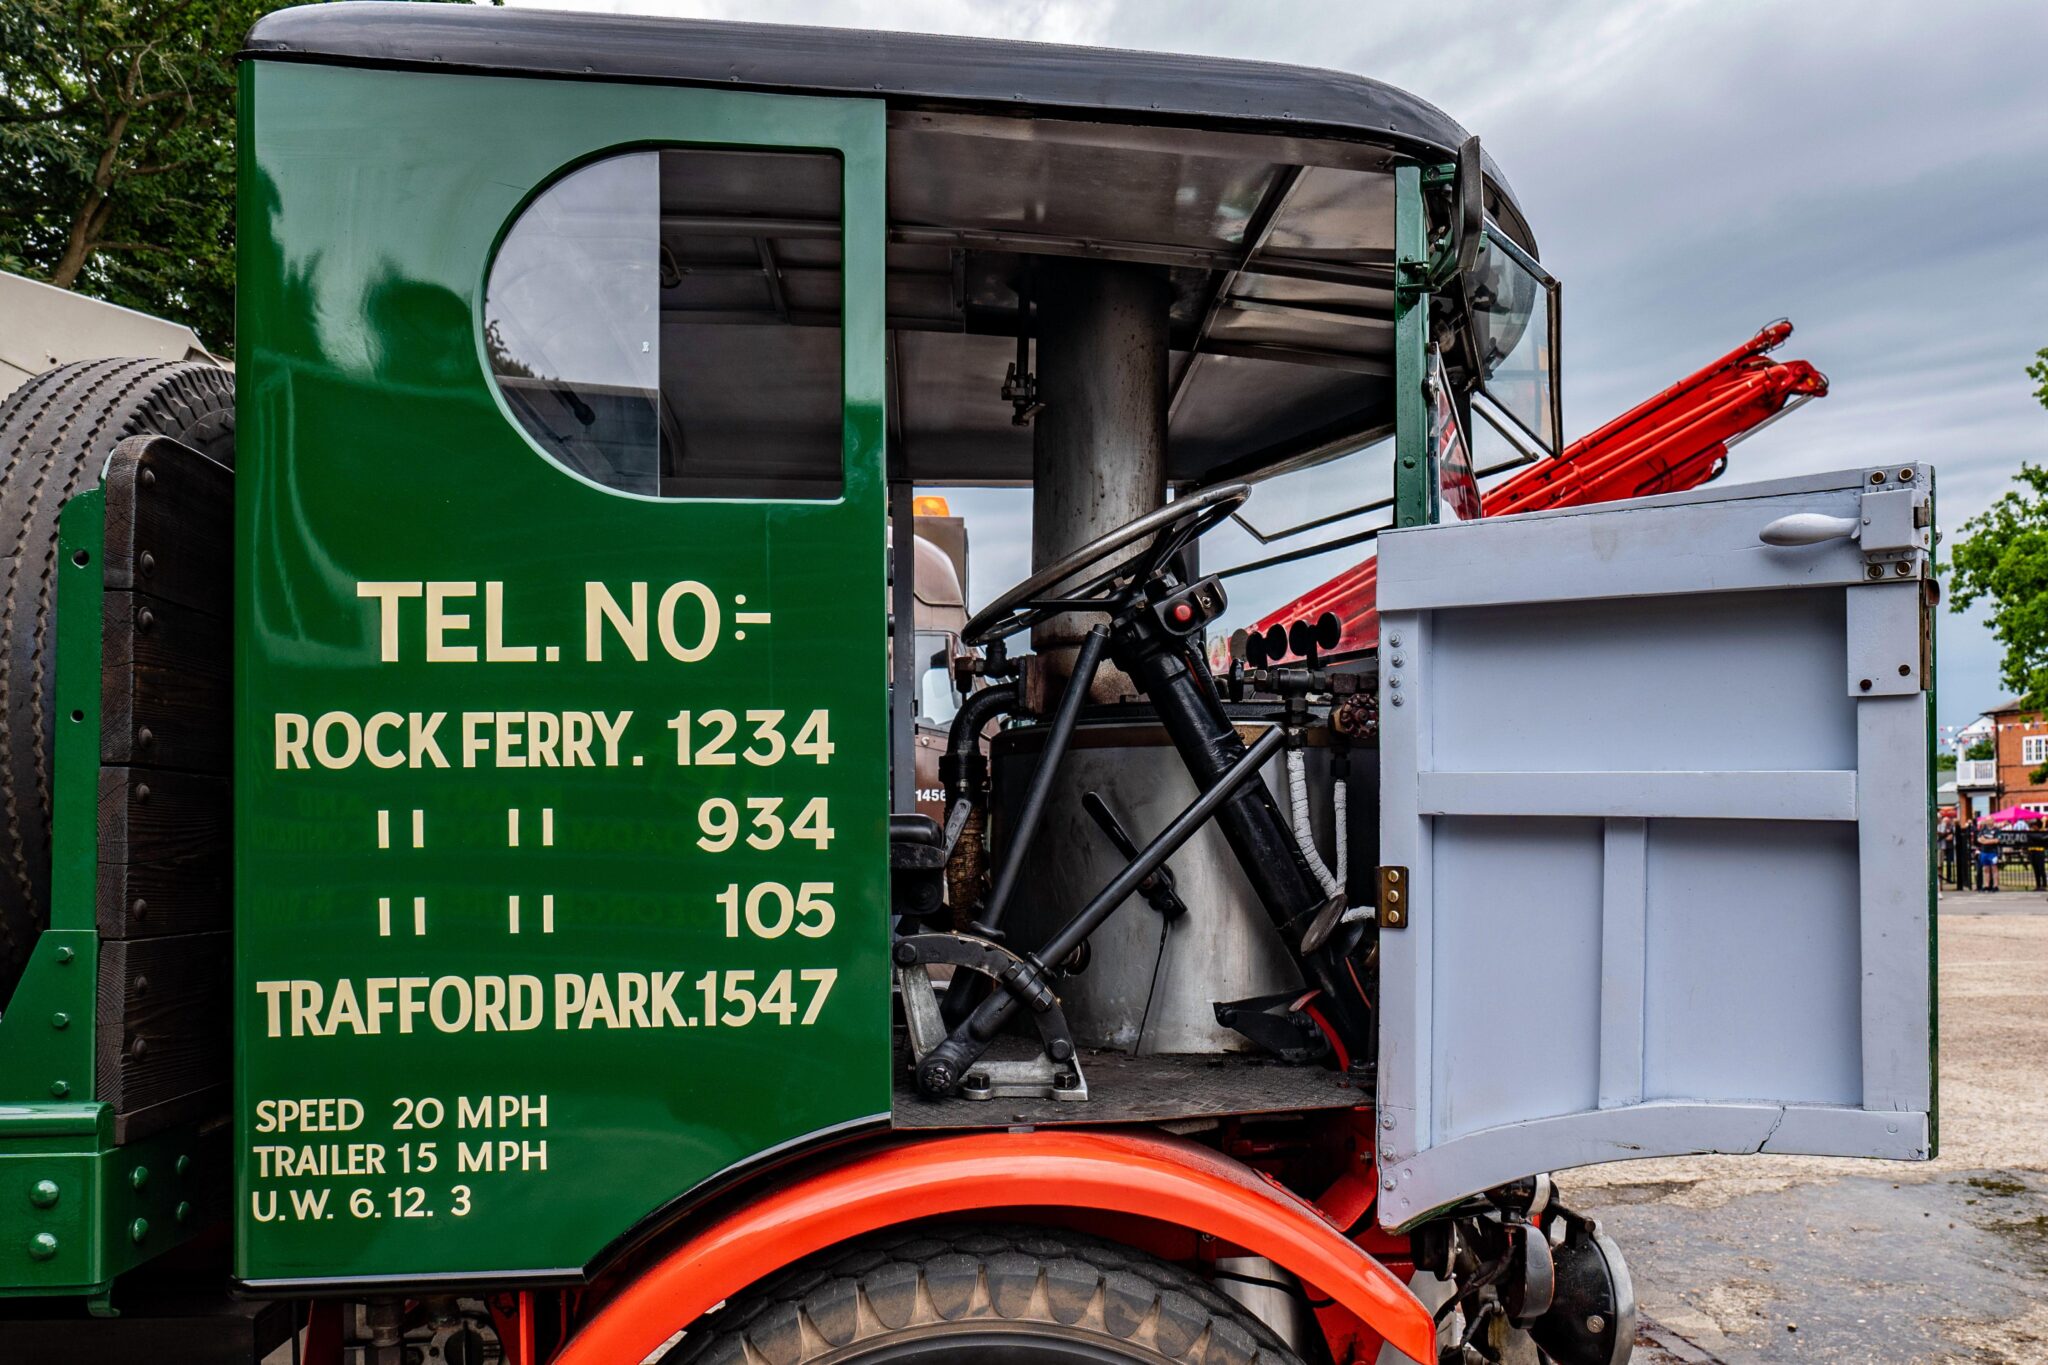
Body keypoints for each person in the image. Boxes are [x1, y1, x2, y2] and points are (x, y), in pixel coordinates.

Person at [1976, 823, 2002, 892]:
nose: (1988, 822)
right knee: (1985, 869)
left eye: (1989, 820)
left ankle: (1995, 886)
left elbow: (1997, 840)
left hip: (1993, 852)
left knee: (1994, 869)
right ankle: (1986, 886)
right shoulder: (1983, 830)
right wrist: (1989, 840)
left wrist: (1986, 841)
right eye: (1987, 820)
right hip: (1984, 852)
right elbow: (1979, 839)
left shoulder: (1996, 830)